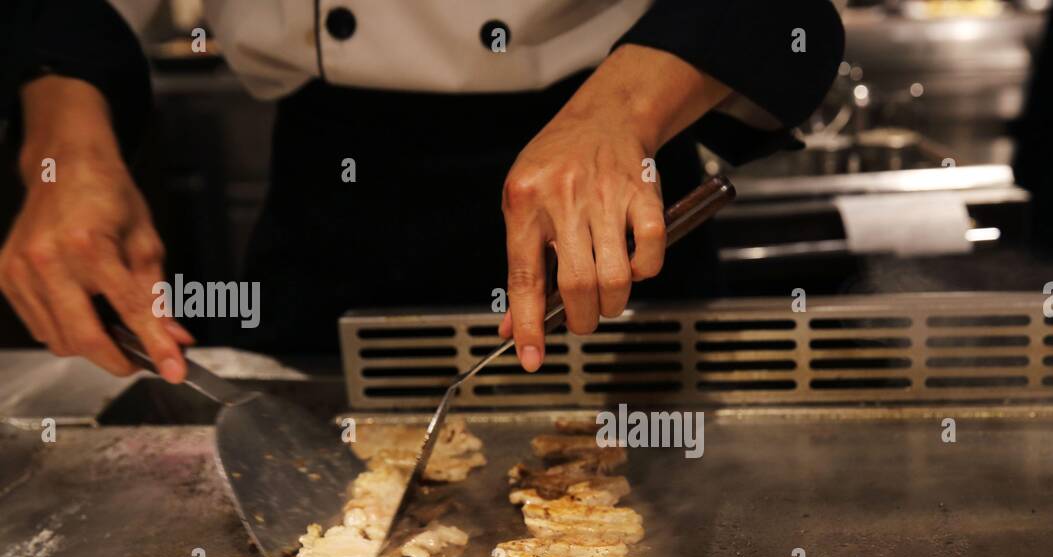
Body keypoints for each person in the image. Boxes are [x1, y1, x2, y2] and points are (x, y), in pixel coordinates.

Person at [0, 1, 844, 382]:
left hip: (604, 162)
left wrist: (620, 114)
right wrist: (65, 144)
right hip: (332, 193)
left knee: (664, 495)